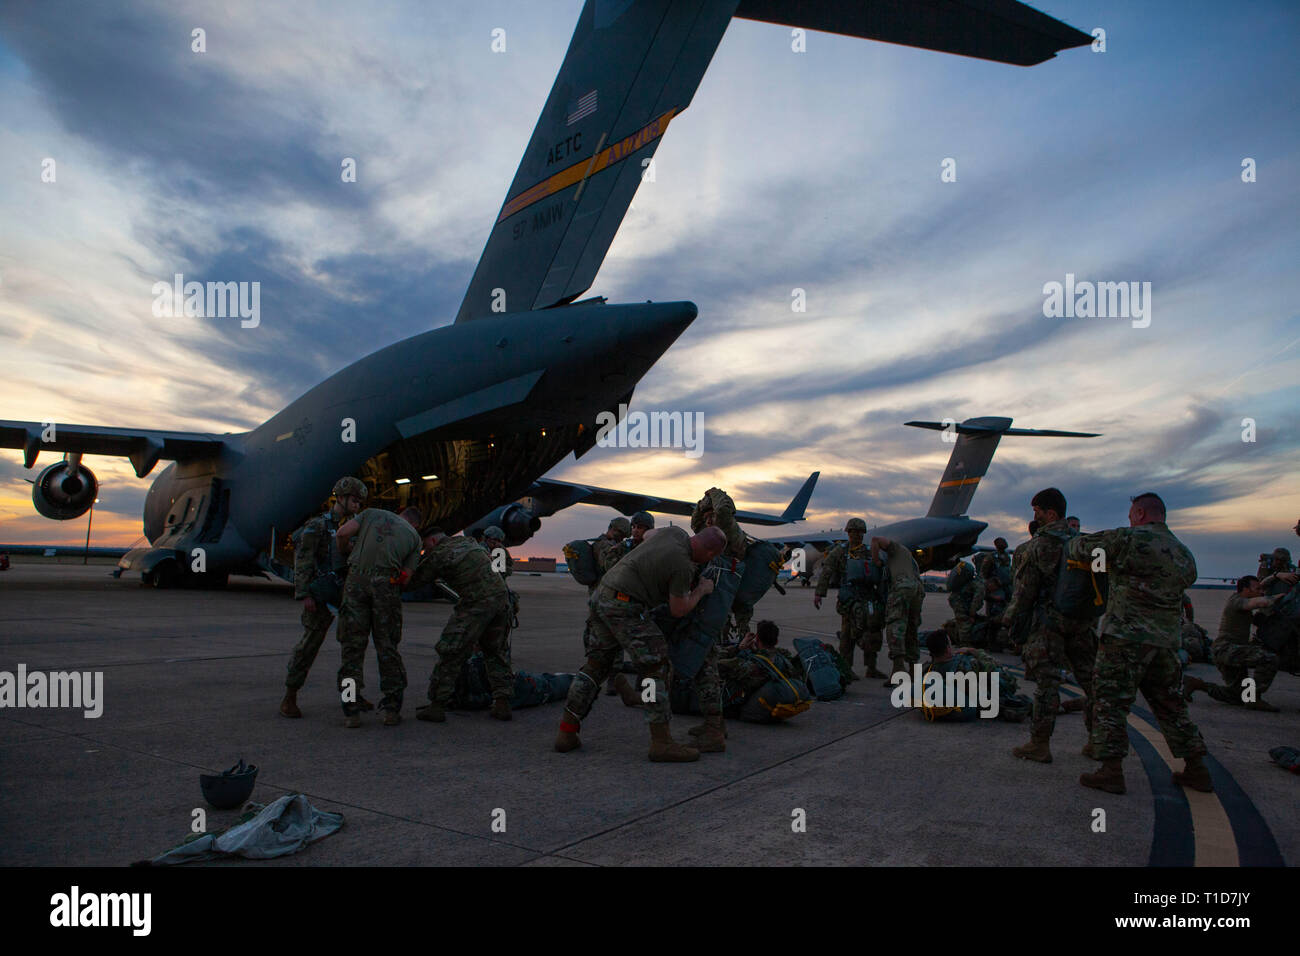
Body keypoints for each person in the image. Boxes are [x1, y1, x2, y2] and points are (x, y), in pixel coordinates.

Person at [1072, 492, 1209, 795]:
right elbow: (1186, 580)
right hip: (1166, 642)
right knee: (1171, 705)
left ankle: (1111, 771)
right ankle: (1197, 769)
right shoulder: (1184, 553)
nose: (1131, 519)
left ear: (1141, 513)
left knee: (1109, 702)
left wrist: (1074, 538)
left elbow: (1082, 549)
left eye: (1133, 514)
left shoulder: (1131, 540)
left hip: (1126, 638)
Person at [554, 525, 727, 762]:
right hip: (625, 606)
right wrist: (701, 590)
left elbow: (648, 535)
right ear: (709, 554)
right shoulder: (683, 567)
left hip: (602, 595)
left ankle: (567, 732)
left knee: (596, 666)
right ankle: (662, 742)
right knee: (656, 666)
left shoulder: (674, 533)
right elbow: (678, 609)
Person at [1002, 488, 1098, 764]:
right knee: (1092, 684)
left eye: (1037, 512)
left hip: (1049, 625)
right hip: (1081, 623)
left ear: (1051, 513)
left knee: (1047, 685)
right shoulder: (1082, 543)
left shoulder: (1037, 547)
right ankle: (1097, 742)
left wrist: (1009, 620)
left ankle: (1039, 744)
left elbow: (1024, 592)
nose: (1035, 517)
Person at [281, 476, 367, 718]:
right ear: (340, 498)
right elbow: (303, 559)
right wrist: (305, 593)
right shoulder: (317, 526)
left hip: (343, 593)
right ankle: (290, 696)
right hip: (319, 594)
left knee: (353, 646)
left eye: (360, 501)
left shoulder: (351, 528)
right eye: (354, 499)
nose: (357, 504)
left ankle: (353, 695)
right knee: (309, 646)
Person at [411, 527, 517, 723]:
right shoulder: (467, 543)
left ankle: (437, 705)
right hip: (501, 599)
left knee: (451, 650)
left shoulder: (439, 554)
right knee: (496, 652)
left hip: (476, 603)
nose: (426, 550)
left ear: (433, 542)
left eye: (425, 546)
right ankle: (502, 703)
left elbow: (414, 581)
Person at [334, 505, 423, 728]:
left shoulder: (371, 513)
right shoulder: (414, 537)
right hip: (387, 587)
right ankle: (391, 710)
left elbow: (342, 533)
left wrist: (346, 552)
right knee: (387, 648)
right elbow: (406, 579)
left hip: (356, 581)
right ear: (415, 524)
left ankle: (351, 711)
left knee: (351, 649)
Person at [1184, 574, 1293, 710]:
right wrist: (1280, 597)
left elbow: (1262, 585)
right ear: (1246, 590)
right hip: (1226, 649)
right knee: (1269, 658)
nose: (1261, 591)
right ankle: (1255, 698)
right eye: (1257, 589)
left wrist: (1277, 576)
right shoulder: (1237, 600)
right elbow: (1258, 602)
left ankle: (1197, 684)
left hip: (1231, 650)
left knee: (1236, 696)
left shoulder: (1244, 596)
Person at [815, 518, 886, 678]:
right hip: (848, 599)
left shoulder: (869, 551)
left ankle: (871, 668)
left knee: (873, 630)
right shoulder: (840, 551)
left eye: (860, 532)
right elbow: (827, 571)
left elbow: (880, 571)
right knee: (847, 634)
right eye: (854, 532)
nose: (857, 535)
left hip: (868, 597)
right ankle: (847, 667)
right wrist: (819, 593)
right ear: (848, 533)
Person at [871, 534, 923, 685]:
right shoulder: (909, 559)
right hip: (917, 590)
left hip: (902, 587)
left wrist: (876, 561)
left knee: (894, 626)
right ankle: (914, 671)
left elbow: (875, 540)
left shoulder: (897, 549)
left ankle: (898, 671)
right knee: (911, 630)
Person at [945, 559, 983, 648]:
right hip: (959, 601)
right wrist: (972, 611)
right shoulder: (978, 583)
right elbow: (978, 598)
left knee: (961, 621)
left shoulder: (969, 581)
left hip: (955, 599)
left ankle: (959, 640)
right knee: (964, 622)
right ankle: (964, 644)